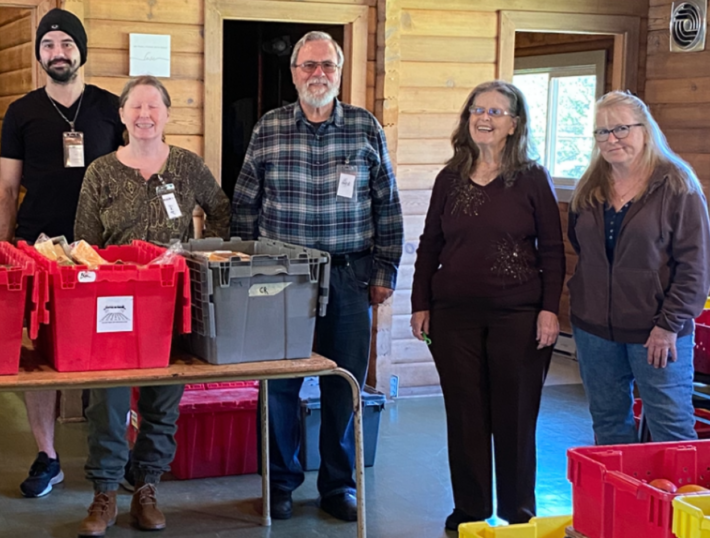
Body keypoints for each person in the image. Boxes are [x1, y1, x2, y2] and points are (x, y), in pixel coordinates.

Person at [232, 31, 403, 523]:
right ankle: (281, 484)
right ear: (293, 74)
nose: (318, 74)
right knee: (280, 387)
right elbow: (246, 204)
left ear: (340, 71)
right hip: (279, 279)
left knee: (342, 384)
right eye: (308, 66)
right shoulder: (268, 129)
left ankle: (338, 485)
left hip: (350, 276)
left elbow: (387, 205)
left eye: (327, 65)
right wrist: (243, 273)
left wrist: (385, 269)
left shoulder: (366, 128)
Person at [73, 75, 230, 537]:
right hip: (113, 305)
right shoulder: (101, 171)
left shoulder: (186, 166)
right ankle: (104, 494)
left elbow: (220, 209)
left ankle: (146, 488)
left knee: (164, 399)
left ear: (166, 115)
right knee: (108, 401)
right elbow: (83, 242)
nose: (144, 115)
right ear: (121, 115)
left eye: (153, 107)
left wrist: (199, 254)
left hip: (173, 299)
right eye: (135, 107)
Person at [409, 80, 564, 529]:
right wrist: (421, 303)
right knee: (465, 413)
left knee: (515, 415)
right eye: (478, 109)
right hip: (453, 315)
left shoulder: (532, 177)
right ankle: (471, 509)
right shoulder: (448, 179)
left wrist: (549, 309)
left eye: (497, 112)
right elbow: (430, 244)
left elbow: (552, 249)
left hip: (519, 314)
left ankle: (518, 514)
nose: (485, 117)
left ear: (515, 124)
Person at [0, 8, 124, 499]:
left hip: (100, 253)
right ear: (40, 54)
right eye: (49, 45)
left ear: (81, 51)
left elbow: (134, 175)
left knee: (106, 352)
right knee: (39, 356)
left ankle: (108, 459)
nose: (58, 53)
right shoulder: (21, 111)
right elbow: (6, 188)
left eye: (67, 44)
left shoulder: (111, 108)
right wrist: (5, 250)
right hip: (37, 250)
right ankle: (47, 455)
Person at [568, 91, 710, 445]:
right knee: (609, 425)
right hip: (594, 330)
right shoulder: (588, 186)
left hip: (657, 333)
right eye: (601, 132)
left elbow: (695, 268)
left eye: (620, 128)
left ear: (645, 130)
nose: (611, 139)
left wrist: (667, 326)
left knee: (671, 429)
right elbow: (582, 247)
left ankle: (678, 502)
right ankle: (623, 501)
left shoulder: (678, 186)